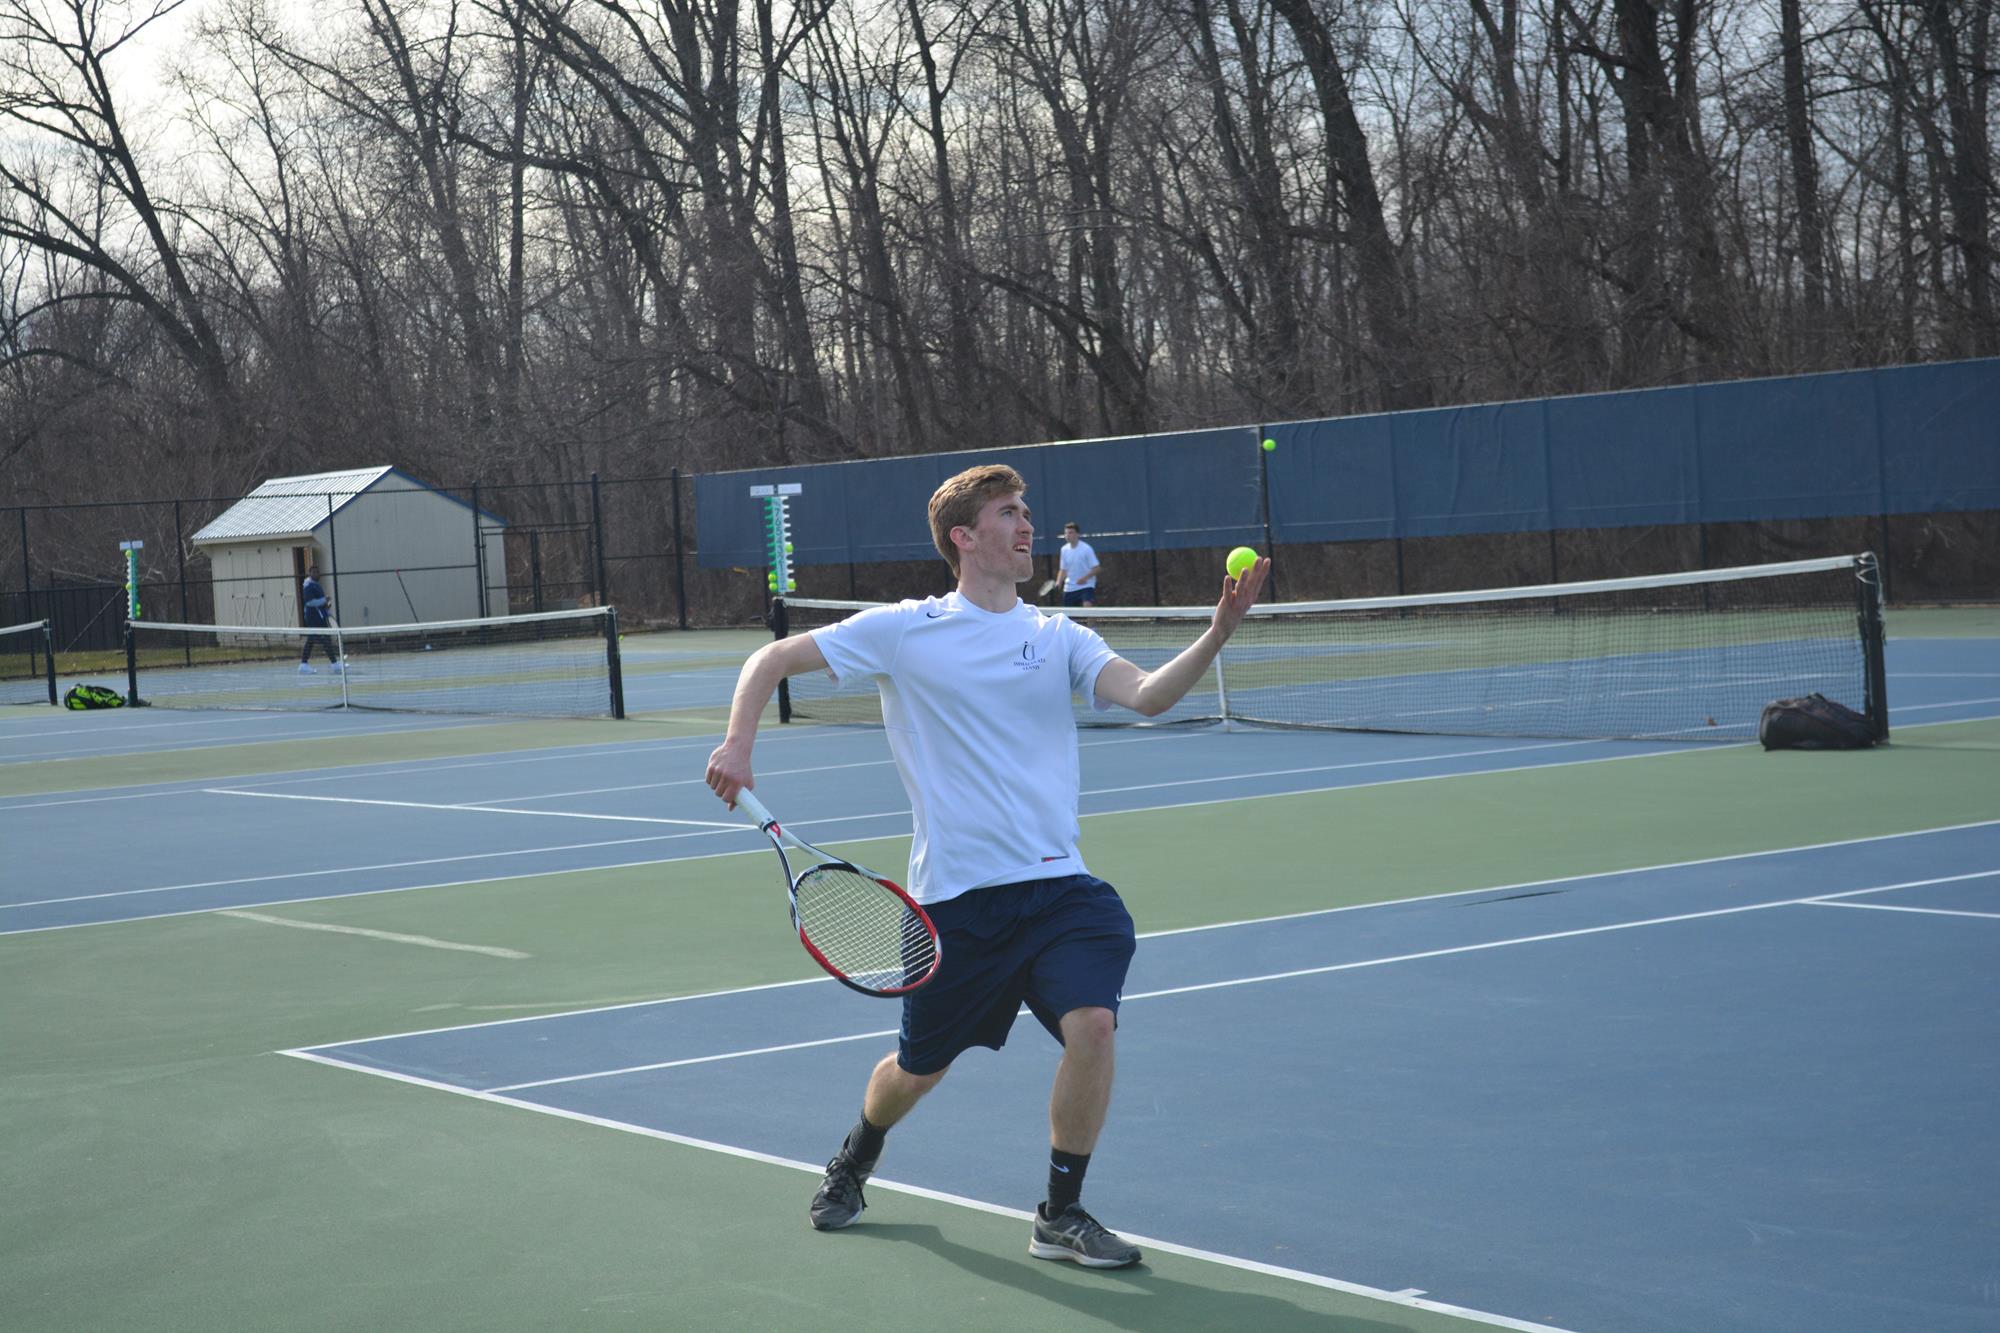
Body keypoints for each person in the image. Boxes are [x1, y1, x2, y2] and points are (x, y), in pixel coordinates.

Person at [704, 464, 1268, 1269]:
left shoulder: (1058, 636)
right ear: (964, 537)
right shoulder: (906, 628)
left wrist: (1218, 631)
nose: (1028, 524)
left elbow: (1144, 694)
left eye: (1028, 510)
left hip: (1060, 891)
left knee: (1095, 1025)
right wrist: (739, 742)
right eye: (1010, 512)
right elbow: (768, 662)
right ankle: (859, 1153)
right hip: (956, 907)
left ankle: (1060, 1213)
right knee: (914, 1071)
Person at [298, 563, 342, 673]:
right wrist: (324, 600)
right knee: (320, 638)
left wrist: (326, 606)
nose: (316, 573)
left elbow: (320, 602)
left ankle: (305, 664)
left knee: (315, 639)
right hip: (312, 616)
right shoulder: (308, 586)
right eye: (314, 572)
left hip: (320, 616)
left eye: (317, 572)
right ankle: (333, 663)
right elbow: (310, 602)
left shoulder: (316, 585)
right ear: (309, 573)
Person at [1057, 521, 1099, 606]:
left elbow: (1097, 568)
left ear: (1077, 534)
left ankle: (1090, 619)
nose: (1067, 535)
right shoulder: (1064, 550)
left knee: (1087, 608)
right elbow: (1063, 569)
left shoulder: (1086, 549)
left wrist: (1084, 578)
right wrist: (1059, 581)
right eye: (1066, 533)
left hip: (1086, 586)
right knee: (1068, 617)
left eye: (1070, 533)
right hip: (1069, 588)